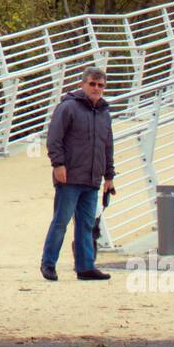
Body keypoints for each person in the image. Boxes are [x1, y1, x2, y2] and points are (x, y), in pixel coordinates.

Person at [42, 66, 116, 281]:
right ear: (82, 84)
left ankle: (85, 267)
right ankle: (48, 264)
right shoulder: (68, 108)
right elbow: (54, 138)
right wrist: (58, 165)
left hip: (92, 179)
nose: (96, 88)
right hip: (70, 177)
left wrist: (109, 177)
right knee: (61, 222)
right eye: (92, 84)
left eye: (100, 85)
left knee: (86, 224)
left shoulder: (104, 113)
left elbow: (107, 146)